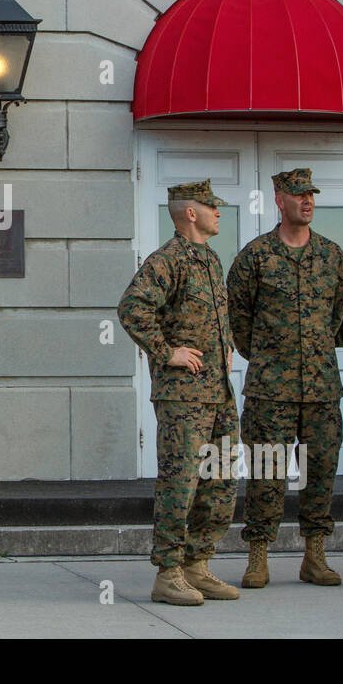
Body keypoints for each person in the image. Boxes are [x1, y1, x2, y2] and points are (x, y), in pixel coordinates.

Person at [118, 180, 240, 606]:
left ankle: (198, 565)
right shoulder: (167, 259)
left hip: (218, 393)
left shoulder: (209, 259)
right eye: (212, 207)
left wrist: (225, 348)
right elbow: (132, 307)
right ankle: (168, 573)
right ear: (191, 212)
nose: (218, 213)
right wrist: (166, 351)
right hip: (183, 397)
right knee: (181, 482)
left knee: (219, 480)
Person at [226, 168, 343, 588]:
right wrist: (267, 356)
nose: (307, 201)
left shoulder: (333, 257)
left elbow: (335, 318)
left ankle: (315, 557)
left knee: (319, 473)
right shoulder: (255, 256)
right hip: (269, 390)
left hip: (321, 388)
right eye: (298, 195)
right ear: (280, 200)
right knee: (266, 474)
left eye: (311, 194)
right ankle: (258, 558)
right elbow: (237, 319)